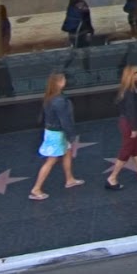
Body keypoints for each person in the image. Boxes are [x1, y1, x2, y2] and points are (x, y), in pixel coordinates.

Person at [29, 72, 82, 200]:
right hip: (57, 133)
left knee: (67, 152)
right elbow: (65, 120)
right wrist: (71, 134)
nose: (65, 81)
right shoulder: (59, 100)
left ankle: (69, 179)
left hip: (53, 131)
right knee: (51, 160)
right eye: (63, 79)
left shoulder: (50, 97)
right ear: (59, 83)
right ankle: (36, 188)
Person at [105, 65, 137, 189]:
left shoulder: (130, 89)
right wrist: (134, 128)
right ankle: (112, 177)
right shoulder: (130, 92)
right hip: (130, 123)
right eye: (136, 72)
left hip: (132, 122)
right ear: (131, 75)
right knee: (127, 149)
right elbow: (130, 111)